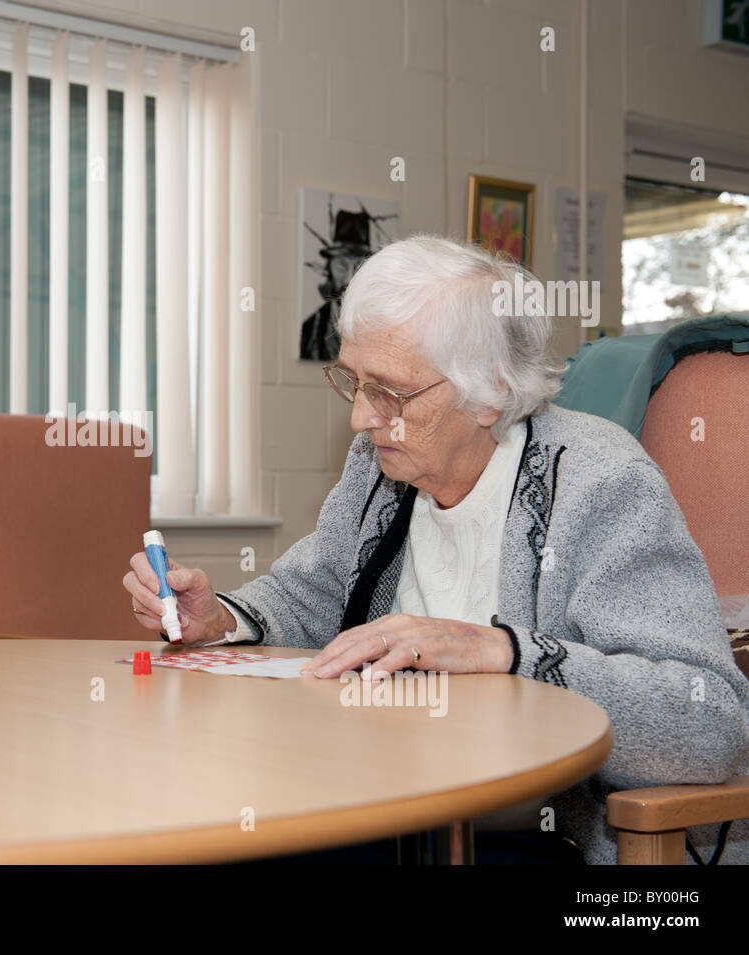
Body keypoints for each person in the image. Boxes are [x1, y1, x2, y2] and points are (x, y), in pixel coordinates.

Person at [124, 235, 749, 865]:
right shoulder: (382, 466)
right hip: (377, 798)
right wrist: (221, 618)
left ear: (491, 392)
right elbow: (314, 592)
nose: (362, 419)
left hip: (526, 834)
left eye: (390, 393)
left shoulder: (600, 483)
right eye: (355, 383)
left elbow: (707, 723)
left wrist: (498, 649)